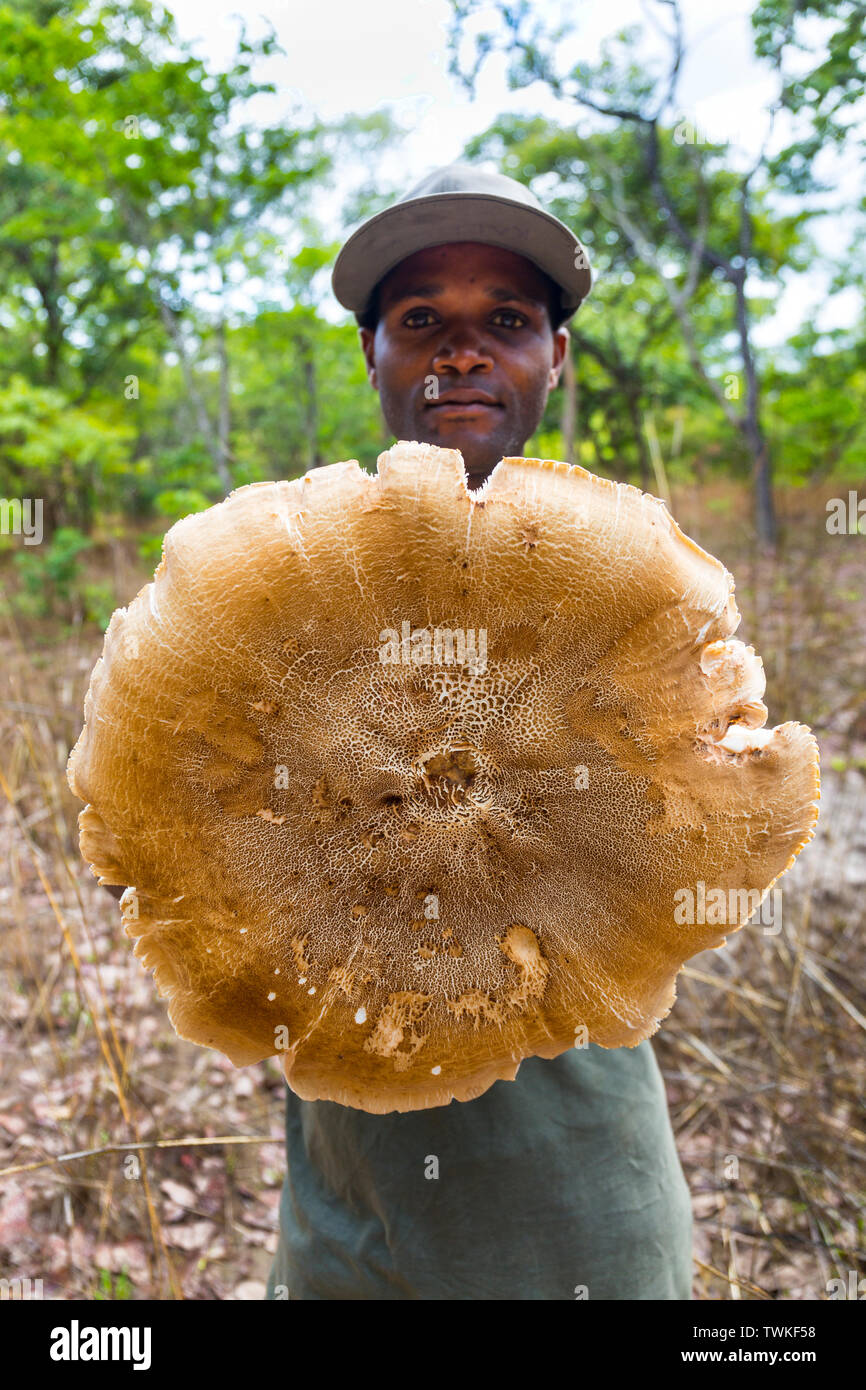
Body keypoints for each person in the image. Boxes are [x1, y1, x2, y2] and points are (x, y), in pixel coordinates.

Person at [265, 164, 694, 1301]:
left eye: (504, 320)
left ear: (553, 353)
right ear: (372, 354)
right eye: (421, 323)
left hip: (568, 1175)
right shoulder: (288, 579)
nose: (461, 352)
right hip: (339, 1166)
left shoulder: (628, 583)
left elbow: (693, 848)